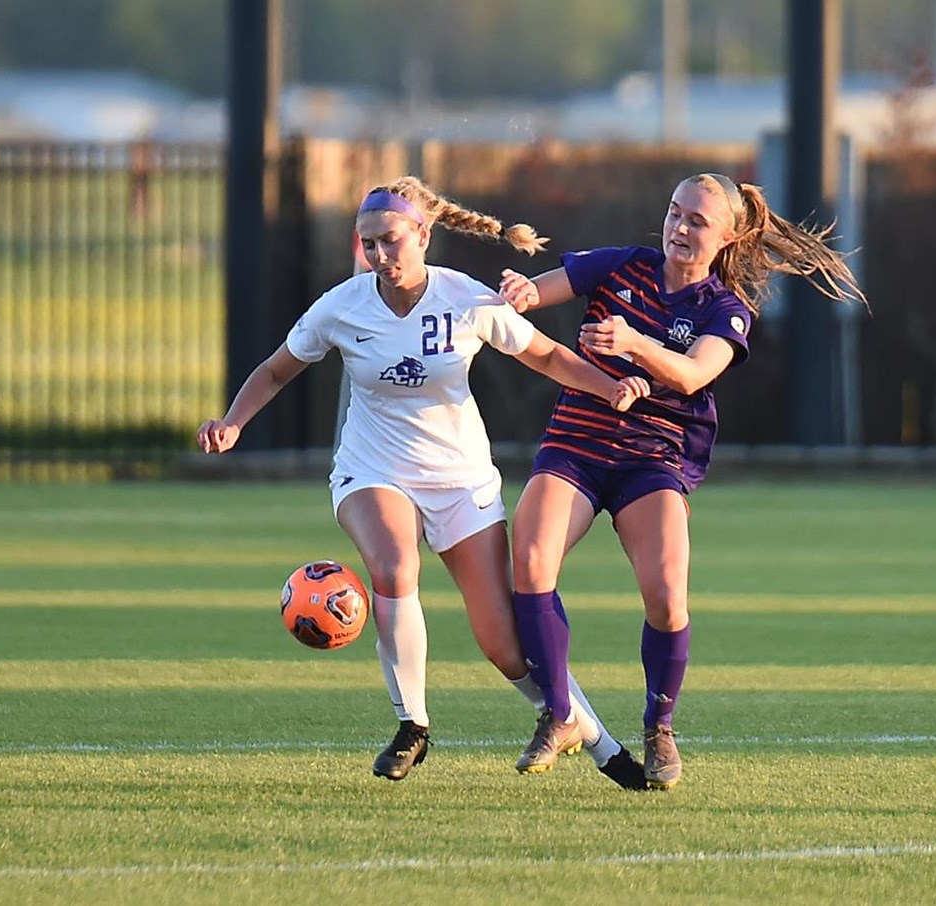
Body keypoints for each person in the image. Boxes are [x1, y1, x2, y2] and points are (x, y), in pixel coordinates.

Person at [198, 176, 652, 786]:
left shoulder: (465, 297)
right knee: (392, 563)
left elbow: (544, 354)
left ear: (423, 235)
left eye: (390, 240)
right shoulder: (341, 306)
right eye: (369, 245)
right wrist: (232, 423)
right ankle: (413, 724)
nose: (381, 256)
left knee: (504, 645)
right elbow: (278, 370)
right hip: (372, 469)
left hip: (461, 481)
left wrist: (611, 385)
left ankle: (605, 749)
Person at [498, 172, 866, 789]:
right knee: (531, 560)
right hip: (577, 445)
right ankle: (559, 713)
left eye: (697, 220)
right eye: (674, 213)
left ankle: (659, 726)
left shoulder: (727, 311)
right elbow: (538, 296)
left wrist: (634, 343)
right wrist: (518, 292)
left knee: (667, 595)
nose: (680, 228)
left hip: (654, 460)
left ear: (727, 235)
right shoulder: (620, 267)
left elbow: (695, 375)